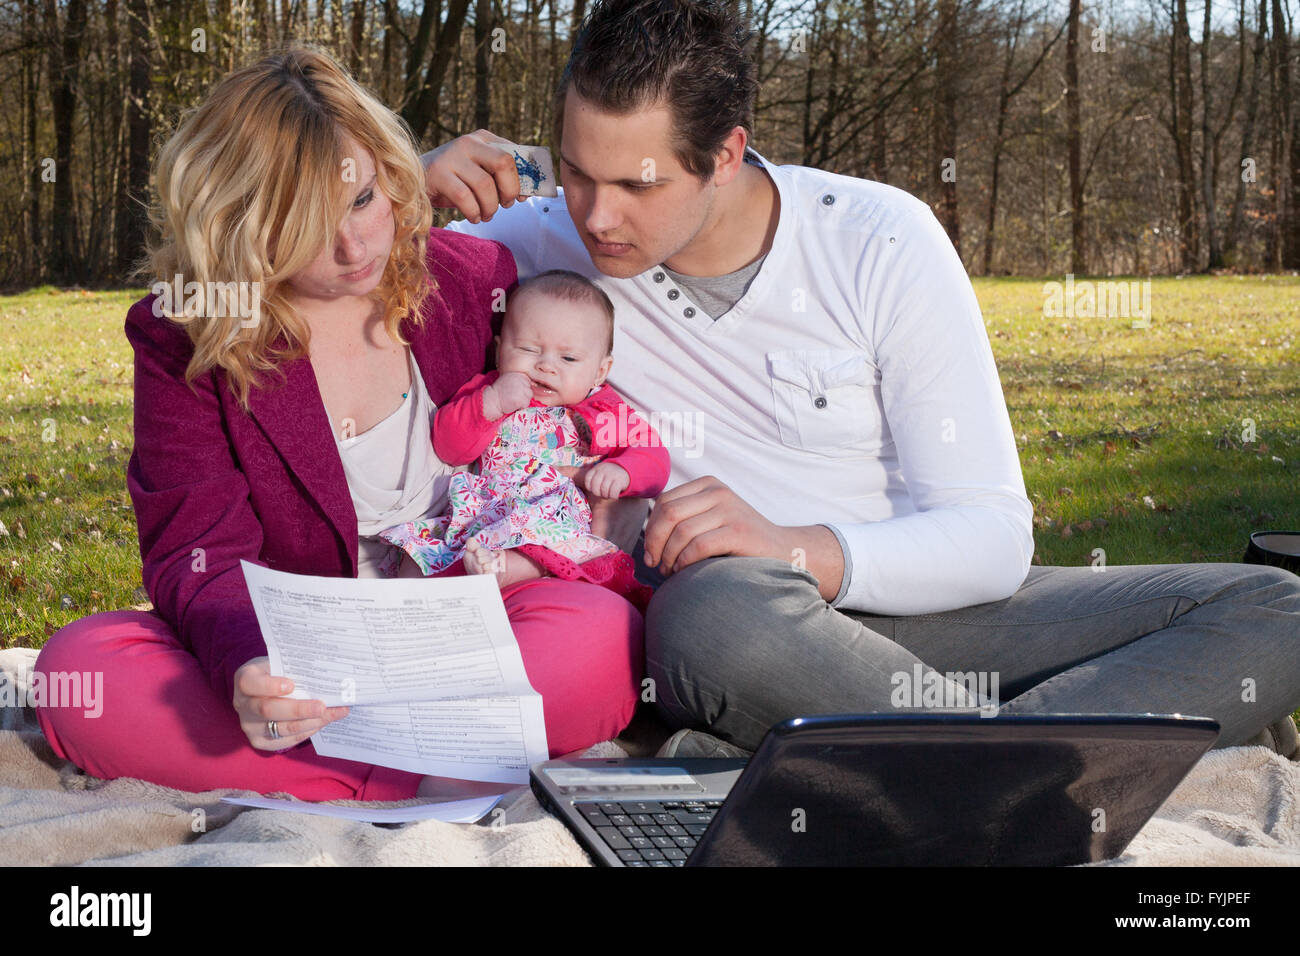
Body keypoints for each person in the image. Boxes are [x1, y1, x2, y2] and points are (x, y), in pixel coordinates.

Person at [423, 0, 1300, 756]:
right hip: (745, 627)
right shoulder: (542, 245)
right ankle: (1044, 758)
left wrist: (798, 546)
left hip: (925, 611)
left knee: (1277, 607)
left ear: (726, 154)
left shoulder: (880, 237)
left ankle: (971, 762)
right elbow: (326, 274)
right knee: (709, 611)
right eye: (576, 172)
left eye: (635, 185)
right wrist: (409, 189)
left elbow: (993, 534)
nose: (597, 216)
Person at [31, 47, 644, 802]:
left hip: (467, 615)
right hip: (308, 645)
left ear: (392, 174)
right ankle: (431, 771)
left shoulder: (472, 283)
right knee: (80, 673)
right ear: (240, 224)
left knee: (598, 637)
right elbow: (197, 552)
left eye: (361, 201)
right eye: (305, 223)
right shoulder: (188, 336)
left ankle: (358, 772)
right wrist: (249, 670)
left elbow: (578, 344)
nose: (355, 249)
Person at [379, 269, 670, 608]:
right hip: (481, 512)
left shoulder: (599, 410)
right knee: (417, 555)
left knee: (541, 543)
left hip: (551, 512)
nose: (546, 366)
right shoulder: (491, 391)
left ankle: (500, 572)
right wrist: (490, 405)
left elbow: (652, 454)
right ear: (501, 350)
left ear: (600, 371)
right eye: (529, 349)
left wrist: (624, 471)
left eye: (569, 358)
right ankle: (407, 605)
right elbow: (449, 447)